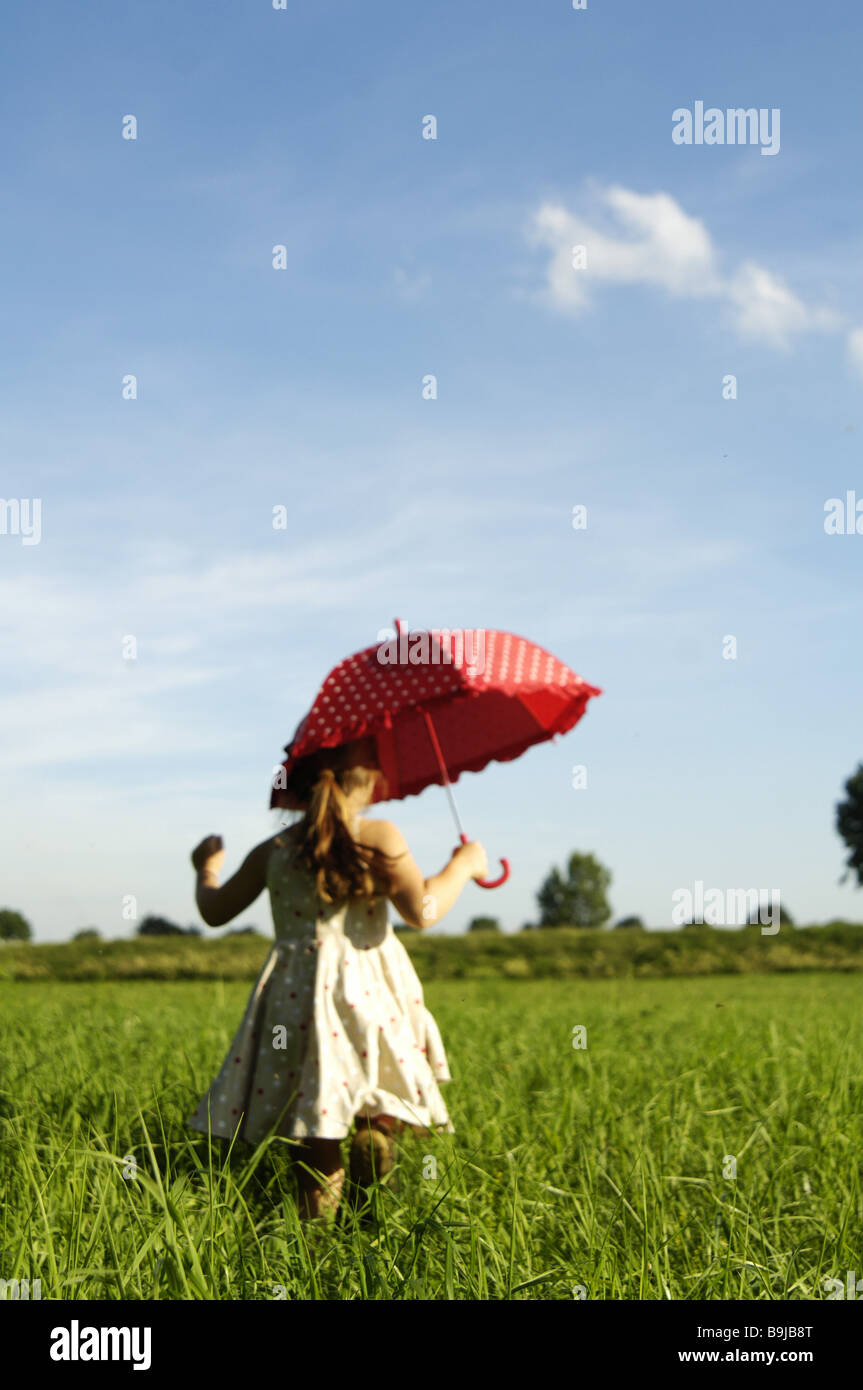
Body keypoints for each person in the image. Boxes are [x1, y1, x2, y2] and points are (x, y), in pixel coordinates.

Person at [187, 737, 488, 1224]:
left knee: (314, 1120)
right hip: (368, 987)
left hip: (295, 997)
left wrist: (207, 867)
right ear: (370, 777)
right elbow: (423, 911)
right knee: (375, 1087)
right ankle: (374, 1145)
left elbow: (216, 911)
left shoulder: (276, 850)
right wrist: (464, 865)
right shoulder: (380, 836)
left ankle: (316, 1244)